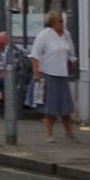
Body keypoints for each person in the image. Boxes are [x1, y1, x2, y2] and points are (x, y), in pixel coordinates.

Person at [28, 9, 78, 143]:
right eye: (60, 21)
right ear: (53, 22)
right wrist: (36, 73)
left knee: (65, 106)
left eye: (63, 20)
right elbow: (35, 55)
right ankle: (48, 134)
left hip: (62, 74)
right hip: (48, 73)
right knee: (49, 107)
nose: (62, 23)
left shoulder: (66, 34)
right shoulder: (44, 35)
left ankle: (69, 132)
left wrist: (72, 63)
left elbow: (71, 52)